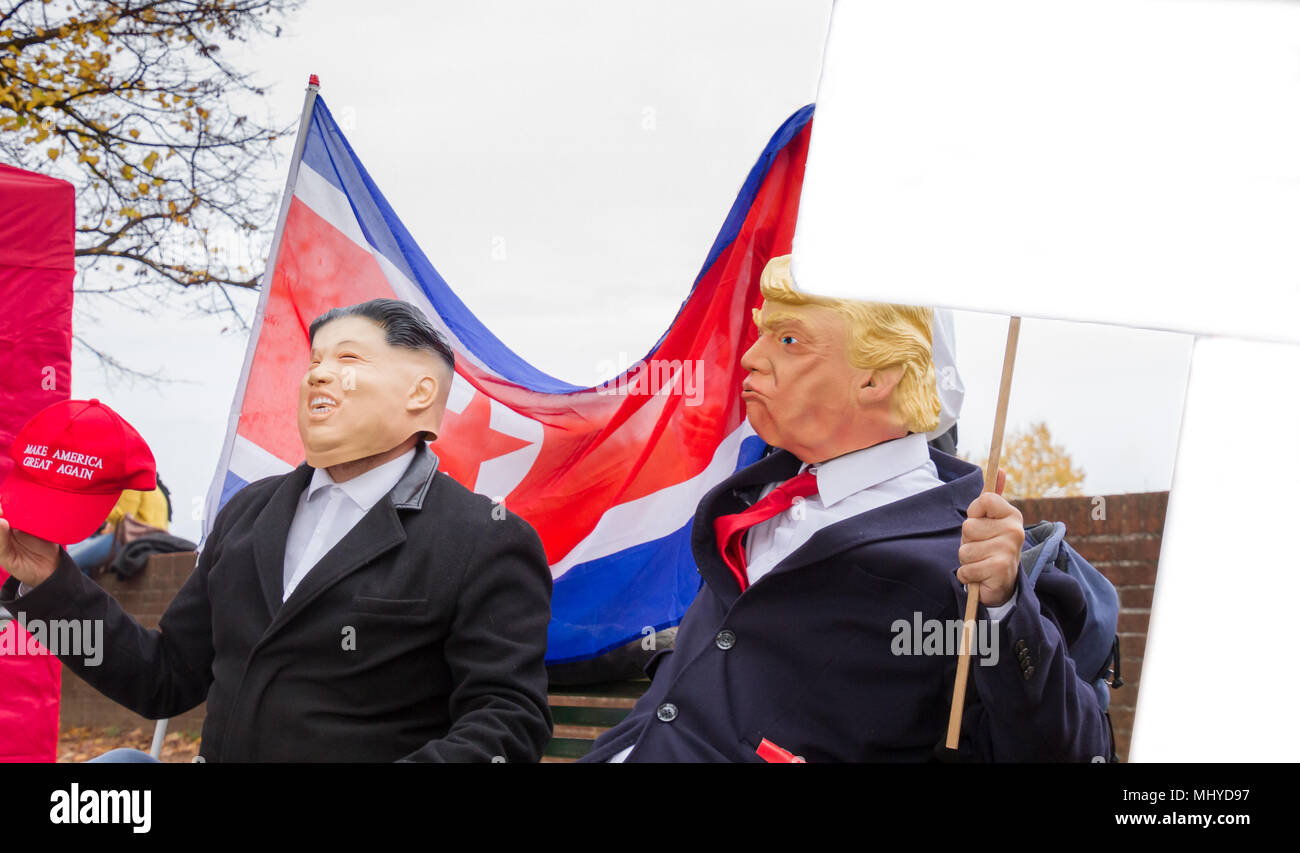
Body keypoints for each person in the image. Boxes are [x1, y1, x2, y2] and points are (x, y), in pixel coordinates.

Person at [582, 256, 1113, 762]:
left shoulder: (964, 553)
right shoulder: (752, 499)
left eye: (789, 340)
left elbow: (1064, 750)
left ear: (875, 378)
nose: (752, 356)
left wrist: (1004, 606)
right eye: (765, 332)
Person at [0, 298, 554, 762]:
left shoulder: (484, 539)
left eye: (349, 358)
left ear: (420, 393)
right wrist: (48, 579)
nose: (317, 373)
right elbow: (164, 677)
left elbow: (507, 721)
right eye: (314, 360)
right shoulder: (248, 513)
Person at [66, 481, 170, 574]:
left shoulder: (132, 483)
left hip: (130, 541)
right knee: (76, 554)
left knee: (69, 562)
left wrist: (96, 508)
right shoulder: (156, 488)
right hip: (151, 541)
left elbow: (123, 516)